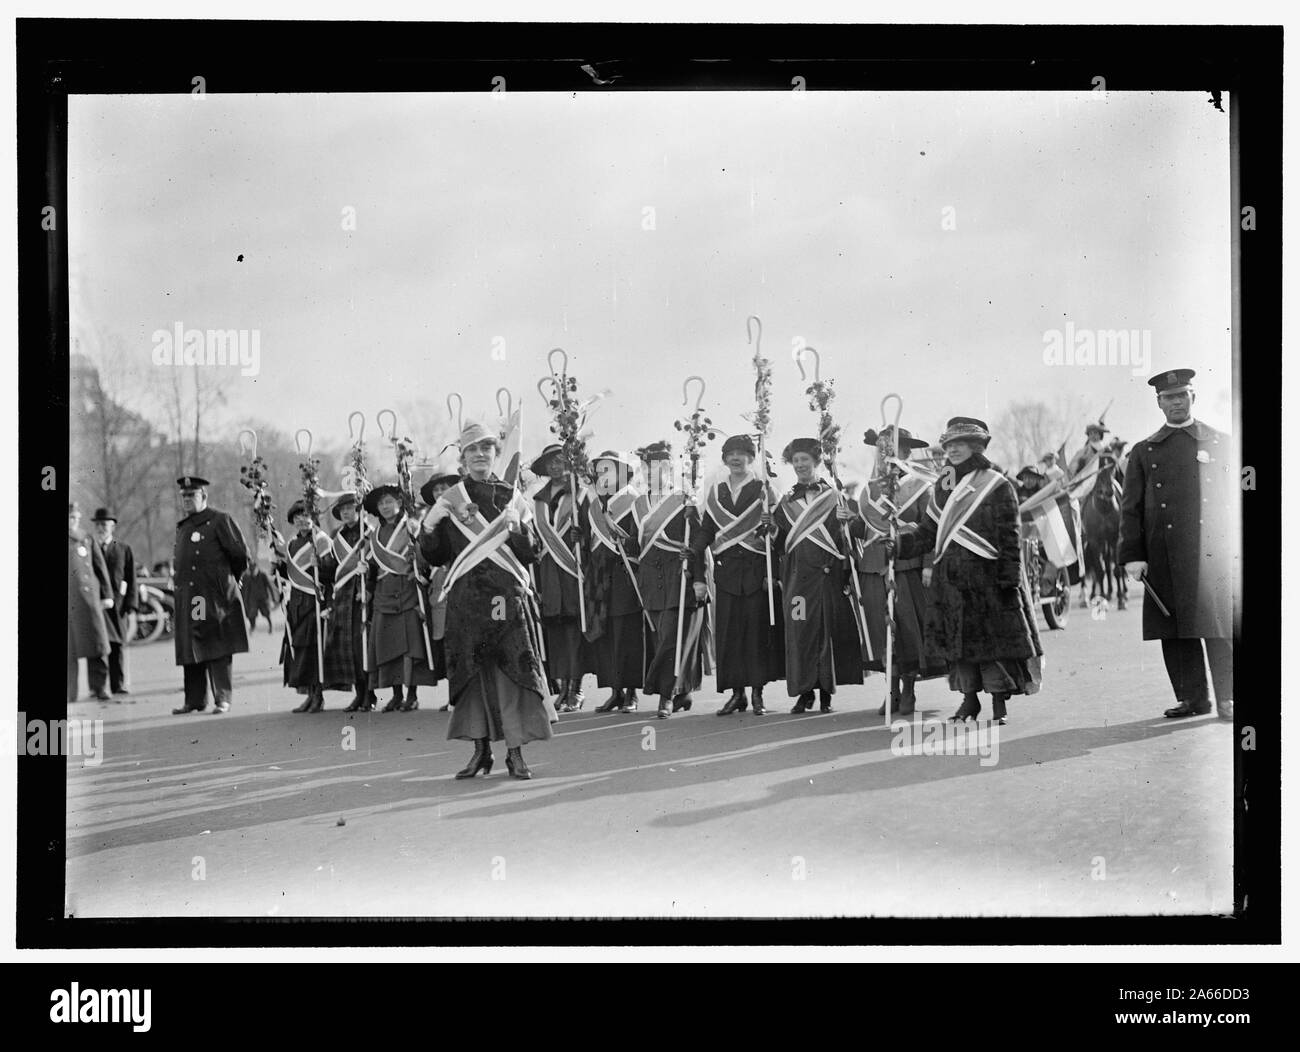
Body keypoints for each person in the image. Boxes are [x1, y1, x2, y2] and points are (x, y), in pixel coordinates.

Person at [881, 418, 1043, 724]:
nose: (953, 450)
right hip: (950, 580)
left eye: (960, 444)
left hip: (988, 578)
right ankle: (969, 702)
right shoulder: (942, 488)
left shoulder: (996, 484)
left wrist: (1009, 577)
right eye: (949, 445)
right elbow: (929, 532)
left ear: (976, 447)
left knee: (992, 645)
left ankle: (998, 703)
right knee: (958, 648)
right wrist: (899, 545)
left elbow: (1009, 535)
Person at [417, 421, 554, 779]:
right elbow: (435, 556)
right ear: (462, 457)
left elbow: (531, 553)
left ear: (496, 454)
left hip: (506, 597)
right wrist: (429, 528)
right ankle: (481, 753)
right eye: (473, 450)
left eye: (487, 449)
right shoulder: (451, 499)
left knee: (512, 676)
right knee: (471, 677)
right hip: (467, 599)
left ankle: (515, 753)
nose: (480, 455)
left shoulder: (512, 496)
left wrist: (519, 528)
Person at [1119, 368, 1235, 720]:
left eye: (1182, 395)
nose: (1176, 402)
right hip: (1163, 554)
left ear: (1193, 398)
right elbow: (1131, 509)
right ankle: (1193, 699)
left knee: (1219, 627)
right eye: (1169, 398)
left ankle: (1229, 698)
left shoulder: (1219, 441)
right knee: (1175, 629)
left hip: (1212, 553)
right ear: (1159, 403)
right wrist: (1133, 556)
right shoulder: (1144, 450)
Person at [762, 438, 864, 714]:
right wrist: (771, 529)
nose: (800, 465)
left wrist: (848, 521)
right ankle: (804, 692)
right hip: (797, 580)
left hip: (826, 576)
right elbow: (782, 543)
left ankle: (826, 694)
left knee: (825, 633)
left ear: (816, 462)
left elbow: (847, 542)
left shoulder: (835, 497)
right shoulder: (785, 502)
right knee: (799, 633)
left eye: (805, 460)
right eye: (796, 461)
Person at [851, 426, 947, 716]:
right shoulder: (868, 490)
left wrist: (929, 564)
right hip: (873, 567)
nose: (888, 456)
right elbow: (862, 528)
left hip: (906, 566)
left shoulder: (920, 486)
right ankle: (890, 688)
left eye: (895, 451)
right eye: (883, 451)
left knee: (905, 629)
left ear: (906, 454)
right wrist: (848, 520)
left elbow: (932, 529)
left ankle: (908, 689)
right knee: (881, 632)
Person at [688, 434, 784, 716]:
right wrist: (693, 549)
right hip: (727, 572)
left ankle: (757, 693)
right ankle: (736, 693)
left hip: (756, 572)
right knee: (730, 634)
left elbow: (778, 536)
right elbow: (707, 529)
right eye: (731, 453)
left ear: (751, 458)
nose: (736, 458)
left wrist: (772, 573)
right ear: (724, 459)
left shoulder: (764, 490)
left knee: (756, 634)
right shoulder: (716, 492)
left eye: (742, 453)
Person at [633, 441, 703, 719]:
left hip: (679, 576)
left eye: (660, 468)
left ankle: (665, 696)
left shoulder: (686, 499)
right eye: (648, 468)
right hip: (650, 580)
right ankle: (682, 691)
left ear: (671, 469)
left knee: (672, 638)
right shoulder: (639, 504)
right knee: (663, 638)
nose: (653, 473)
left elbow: (699, 542)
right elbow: (633, 544)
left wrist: (699, 579)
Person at [171, 476, 251, 714]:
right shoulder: (184, 527)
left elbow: (240, 555)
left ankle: (222, 698)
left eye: (192, 495)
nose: (187, 500)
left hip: (215, 596)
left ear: (203, 497)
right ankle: (194, 700)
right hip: (193, 599)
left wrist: (229, 581)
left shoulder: (219, 521)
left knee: (217, 646)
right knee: (193, 644)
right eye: (184, 496)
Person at [363, 482, 439, 712]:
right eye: (381, 503)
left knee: (410, 643)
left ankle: (412, 694)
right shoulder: (374, 535)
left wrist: (419, 561)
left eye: (389, 501)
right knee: (386, 645)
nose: (385, 507)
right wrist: (364, 571)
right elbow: (373, 566)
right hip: (384, 593)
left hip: (408, 590)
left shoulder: (412, 527)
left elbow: (426, 557)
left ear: (399, 503)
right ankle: (395, 693)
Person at [530, 443, 595, 712]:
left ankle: (576, 687)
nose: (555, 467)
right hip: (549, 569)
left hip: (573, 567)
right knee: (556, 628)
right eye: (550, 463)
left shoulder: (582, 495)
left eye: (560, 461)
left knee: (574, 627)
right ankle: (564, 685)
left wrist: (585, 537)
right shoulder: (539, 500)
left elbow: (597, 529)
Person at [587, 450, 649, 714]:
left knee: (627, 634)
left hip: (626, 573)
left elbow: (644, 538)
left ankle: (632, 692)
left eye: (608, 470)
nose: (603, 475)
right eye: (599, 471)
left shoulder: (635, 501)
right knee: (607, 633)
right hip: (600, 576)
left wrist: (626, 543)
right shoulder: (594, 506)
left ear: (622, 473)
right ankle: (615, 691)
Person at [272, 500, 345, 712]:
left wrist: (318, 566)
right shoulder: (292, 543)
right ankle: (309, 694)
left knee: (315, 649)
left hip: (316, 600)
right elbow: (291, 575)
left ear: (313, 517)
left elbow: (331, 572)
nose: (301, 520)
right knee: (301, 650)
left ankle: (318, 696)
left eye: (305, 515)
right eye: (297, 518)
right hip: (297, 602)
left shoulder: (321, 541)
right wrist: (278, 566)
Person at [324, 493, 378, 712]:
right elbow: (330, 569)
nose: (346, 512)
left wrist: (370, 586)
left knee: (361, 646)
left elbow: (379, 562)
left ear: (359, 510)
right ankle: (359, 693)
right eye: (342, 510)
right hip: (343, 597)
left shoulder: (369, 533)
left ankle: (370, 694)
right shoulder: (337, 537)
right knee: (348, 648)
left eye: (350, 508)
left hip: (362, 594)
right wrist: (317, 563)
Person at [419, 471, 462, 710]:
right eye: (436, 490)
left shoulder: (462, 513)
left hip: (461, 581)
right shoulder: (429, 521)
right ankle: (454, 695)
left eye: (444, 488)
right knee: (447, 646)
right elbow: (425, 555)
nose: (440, 493)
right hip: (440, 591)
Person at [88, 507, 137, 698]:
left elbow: (131, 577)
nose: (102, 528)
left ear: (113, 526)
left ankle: (119, 684)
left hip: (119, 605)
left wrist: (131, 604)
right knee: (97, 646)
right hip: (96, 605)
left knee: (118, 645)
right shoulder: (90, 548)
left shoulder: (123, 548)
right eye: (98, 524)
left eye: (105, 524)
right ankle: (98, 687)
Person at [68, 502, 113, 704]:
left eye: (76, 518)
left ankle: (99, 688)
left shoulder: (87, 538)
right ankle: (70, 693)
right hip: (70, 604)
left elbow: (100, 568)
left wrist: (107, 595)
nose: (73, 521)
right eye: (70, 518)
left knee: (98, 646)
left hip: (90, 601)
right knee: (69, 652)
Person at [242, 562, 280, 635]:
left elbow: (269, 586)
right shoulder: (248, 577)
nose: (253, 572)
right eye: (251, 570)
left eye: (254, 570)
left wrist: (273, 598)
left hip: (263, 598)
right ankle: (252, 627)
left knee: (266, 613)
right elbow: (247, 590)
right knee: (251, 615)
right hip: (253, 599)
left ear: (257, 569)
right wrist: (245, 601)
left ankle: (270, 626)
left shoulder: (262, 575)